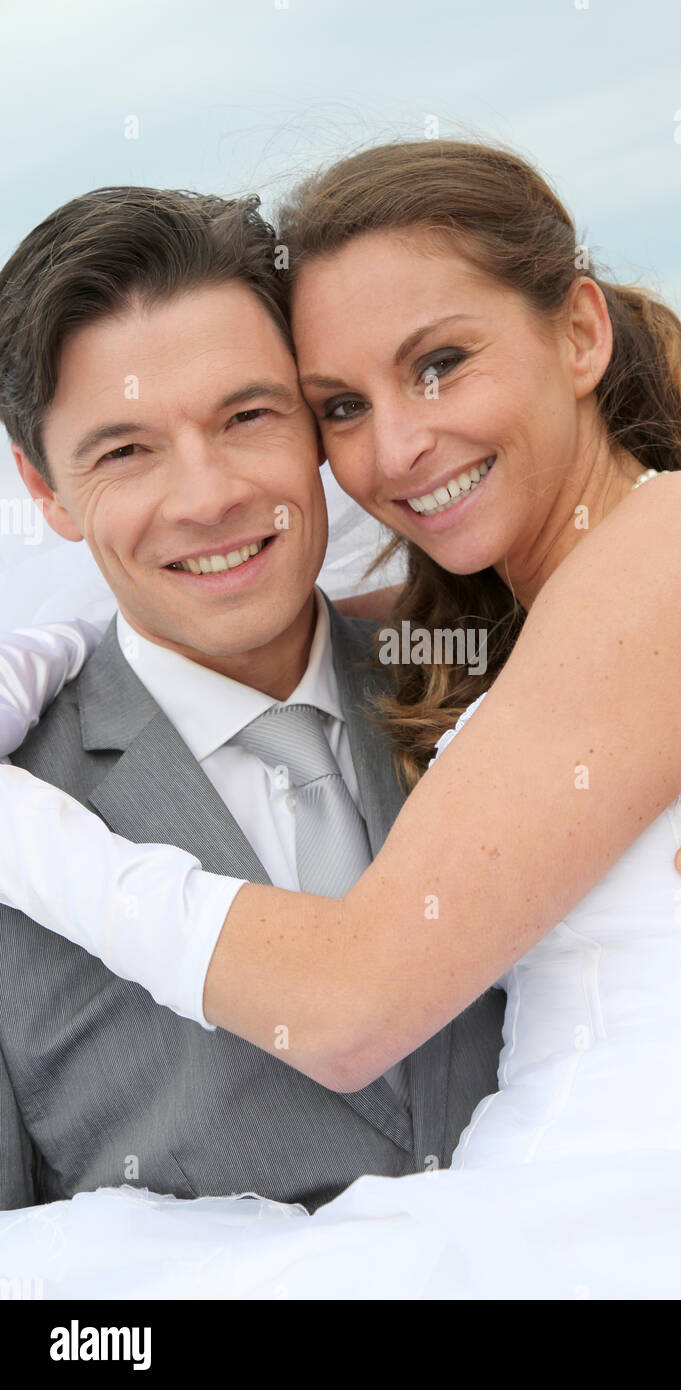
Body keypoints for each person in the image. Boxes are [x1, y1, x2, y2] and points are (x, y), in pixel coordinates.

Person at [0, 141, 681, 1298]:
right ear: (43, 488)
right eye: (346, 404)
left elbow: (357, 1003)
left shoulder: (627, 591)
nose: (398, 447)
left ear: (578, 333)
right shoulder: (501, 632)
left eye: (254, 413)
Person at [0, 185, 505, 1214]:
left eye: (247, 416)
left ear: (316, 423)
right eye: (125, 450)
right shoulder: (28, 807)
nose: (208, 496)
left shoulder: (504, 676)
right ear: (44, 488)